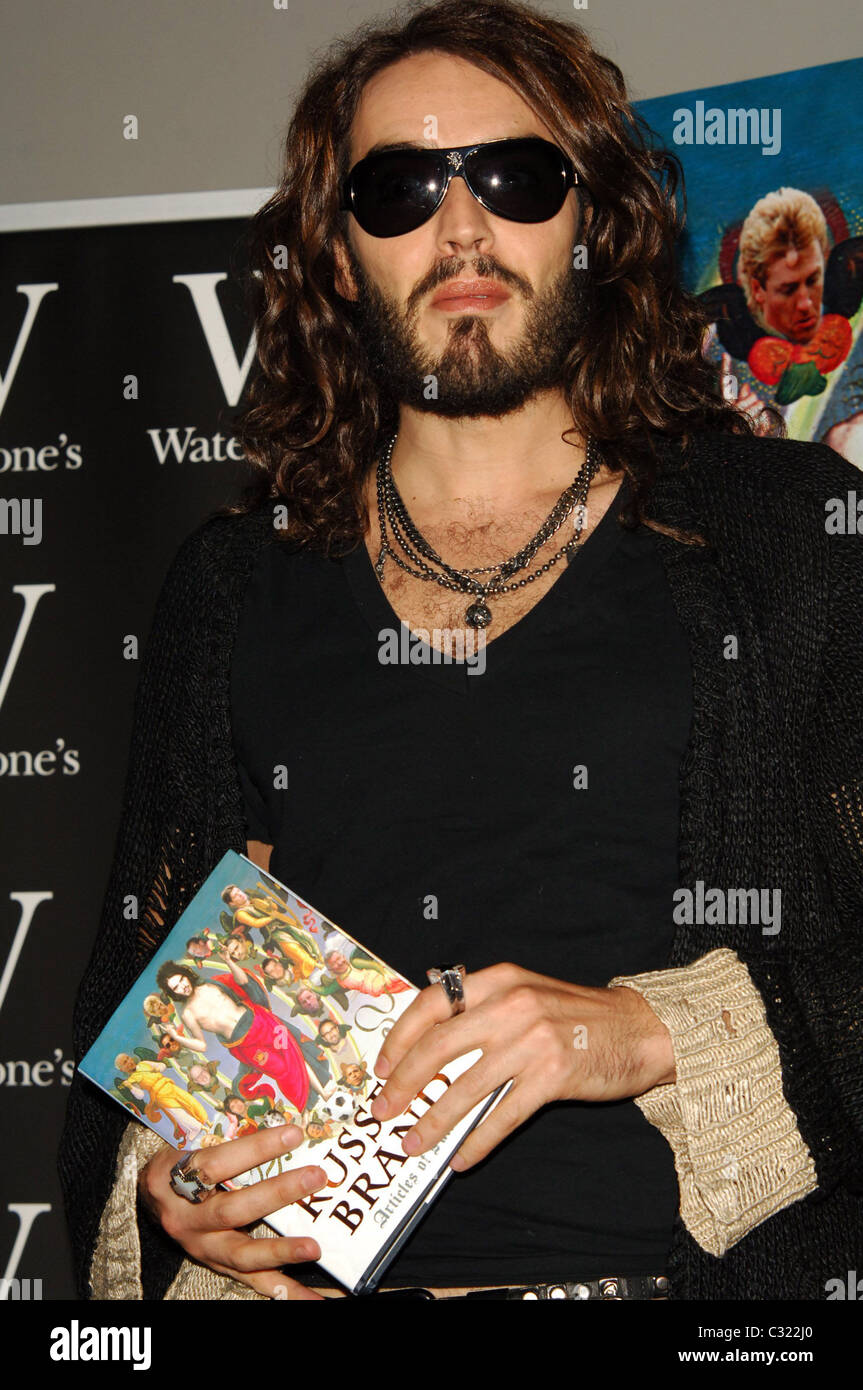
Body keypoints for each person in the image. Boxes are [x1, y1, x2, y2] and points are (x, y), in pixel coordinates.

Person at [59, 0, 862, 1303]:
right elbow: (163, 1005)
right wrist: (178, 1192)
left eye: (516, 175)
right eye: (400, 187)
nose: (463, 226)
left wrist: (655, 1028)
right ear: (334, 257)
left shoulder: (791, 543)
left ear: (594, 220)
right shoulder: (231, 587)